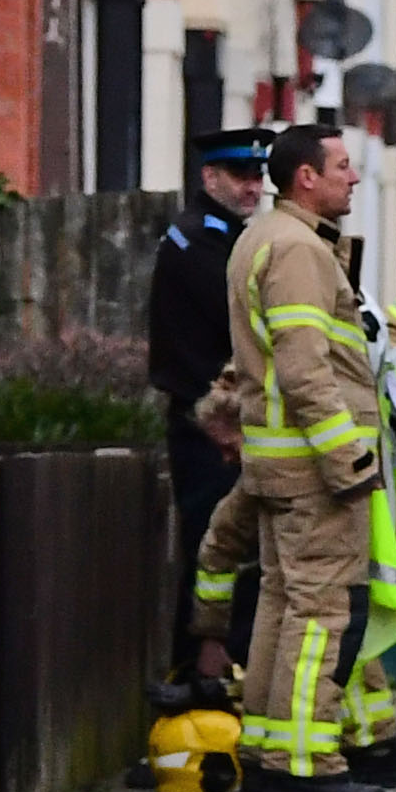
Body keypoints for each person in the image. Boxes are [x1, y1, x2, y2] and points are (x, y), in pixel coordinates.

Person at [220, 123, 390, 792]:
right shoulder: (297, 249)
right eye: (343, 166)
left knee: (282, 604)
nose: (355, 177)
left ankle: (267, 748)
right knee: (320, 611)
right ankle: (303, 759)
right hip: (315, 470)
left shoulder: (266, 238)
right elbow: (303, 368)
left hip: (278, 463)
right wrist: (347, 453)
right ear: (305, 178)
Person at [145, 131, 270, 566]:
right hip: (208, 423)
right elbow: (241, 317)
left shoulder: (222, 235)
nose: (252, 186)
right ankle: (202, 637)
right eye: (240, 175)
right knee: (213, 555)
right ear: (209, 176)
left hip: (217, 417)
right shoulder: (200, 239)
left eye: (258, 175)